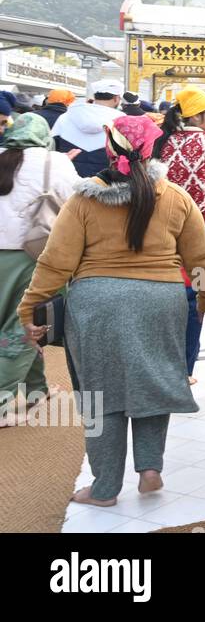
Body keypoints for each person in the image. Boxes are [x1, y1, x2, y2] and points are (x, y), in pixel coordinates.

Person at [19, 115, 205, 506]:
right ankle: (150, 467)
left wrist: (30, 307)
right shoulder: (176, 197)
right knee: (153, 381)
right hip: (161, 302)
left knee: (100, 394)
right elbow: (198, 260)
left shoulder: (83, 200)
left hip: (97, 305)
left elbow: (56, 262)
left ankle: (104, 488)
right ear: (152, 147)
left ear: (109, 147)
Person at [0, 114, 80, 426]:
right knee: (24, 328)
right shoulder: (55, 162)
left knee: (17, 325)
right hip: (31, 258)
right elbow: (76, 203)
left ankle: (37, 389)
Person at [157, 88, 205, 381]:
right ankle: (184, 369)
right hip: (202, 228)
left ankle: (165, 364)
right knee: (197, 289)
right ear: (195, 117)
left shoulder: (166, 141)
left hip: (168, 226)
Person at [51, 80, 122, 178]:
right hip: (107, 180)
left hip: (68, 179)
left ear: (95, 96)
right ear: (116, 98)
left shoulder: (65, 117)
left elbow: (53, 147)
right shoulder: (123, 121)